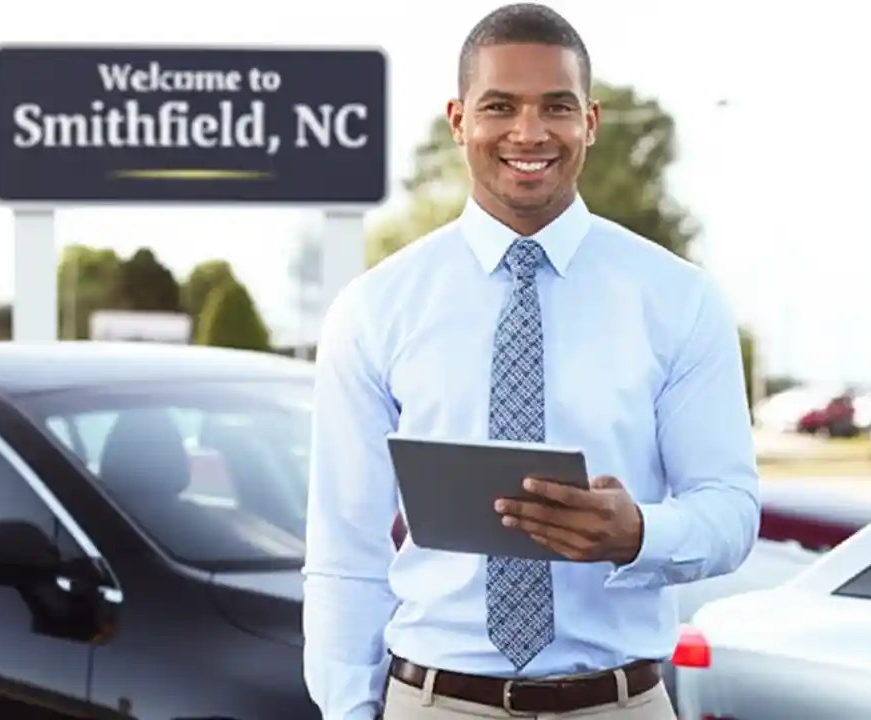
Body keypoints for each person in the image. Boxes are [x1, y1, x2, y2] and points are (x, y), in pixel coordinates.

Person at [302, 3, 760, 718]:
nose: (529, 132)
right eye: (500, 106)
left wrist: (639, 533)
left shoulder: (678, 299)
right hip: (436, 704)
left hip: (619, 704)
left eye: (556, 107)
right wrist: (348, 711)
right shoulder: (375, 309)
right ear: (459, 121)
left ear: (591, 122)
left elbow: (731, 509)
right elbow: (343, 551)